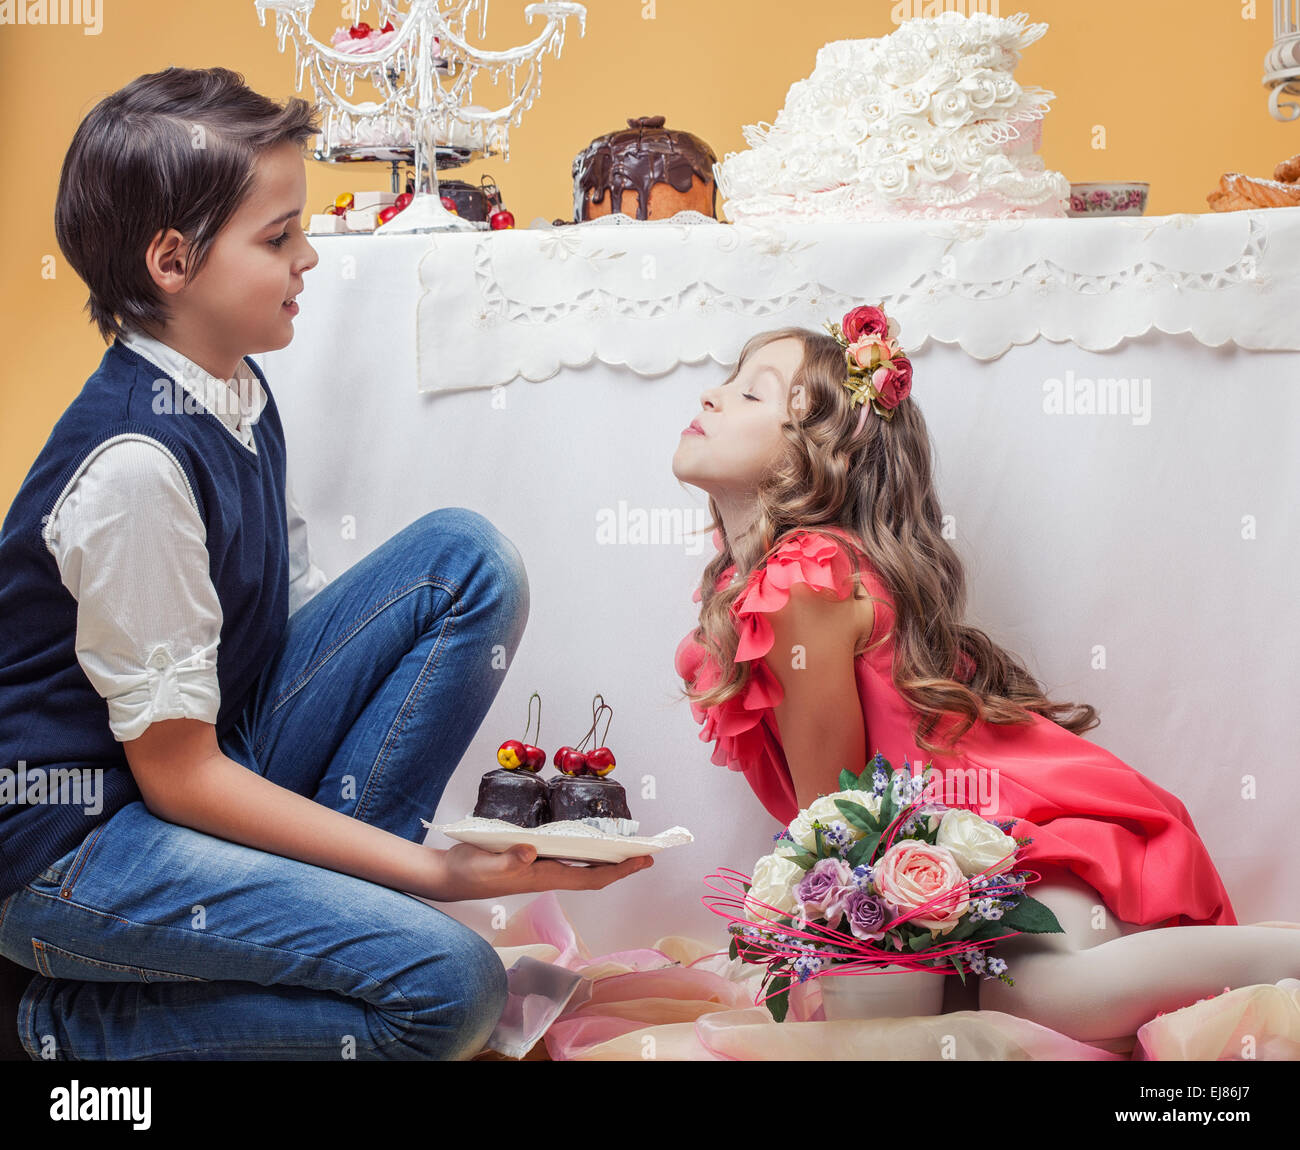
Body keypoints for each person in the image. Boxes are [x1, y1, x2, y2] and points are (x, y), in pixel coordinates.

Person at [0, 66, 649, 1062]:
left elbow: (275, 633)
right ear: (173, 260)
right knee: (455, 991)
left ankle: (355, 914)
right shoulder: (134, 464)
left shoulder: (235, 386)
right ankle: (55, 1024)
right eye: (277, 237)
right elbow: (179, 779)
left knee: (464, 561)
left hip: (196, 762)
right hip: (75, 845)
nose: (309, 257)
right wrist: (433, 874)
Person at [669, 306, 1299, 1047]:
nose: (712, 396)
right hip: (969, 869)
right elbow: (845, 823)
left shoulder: (804, 578)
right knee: (987, 1006)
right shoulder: (778, 584)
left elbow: (837, 813)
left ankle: (1282, 952)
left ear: (814, 453)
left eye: (753, 393)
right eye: (727, 382)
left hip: (1046, 836)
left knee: (1045, 1000)